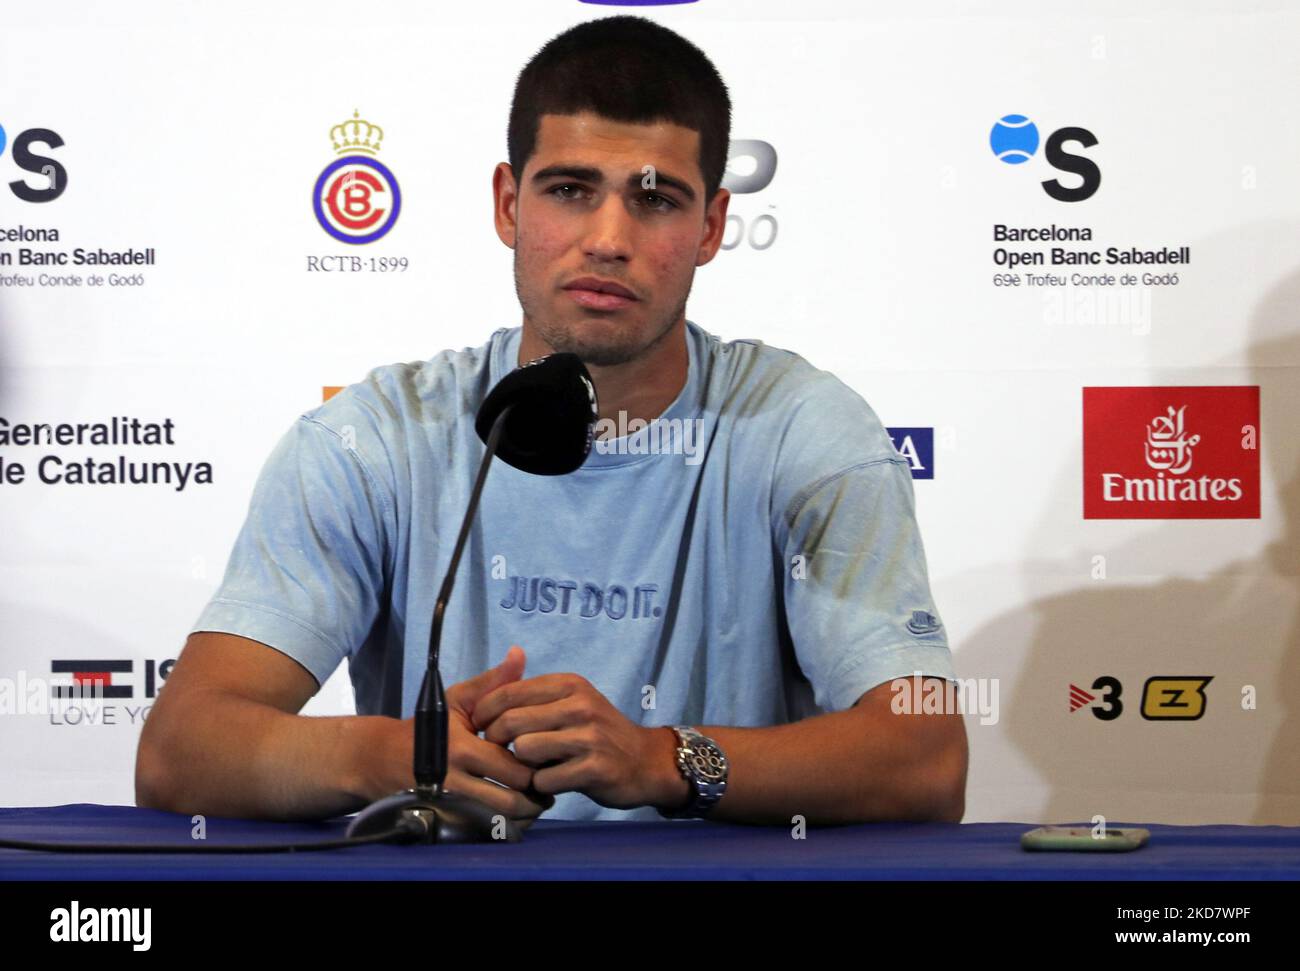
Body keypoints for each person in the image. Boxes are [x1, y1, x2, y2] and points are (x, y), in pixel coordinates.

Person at [136, 14, 967, 827]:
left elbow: (925, 756)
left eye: (656, 200)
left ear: (712, 226)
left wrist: (664, 759)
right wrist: (393, 755)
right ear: (508, 204)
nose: (607, 239)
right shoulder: (375, 441)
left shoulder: (805, 432)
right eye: (570, 191)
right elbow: (181, 752)